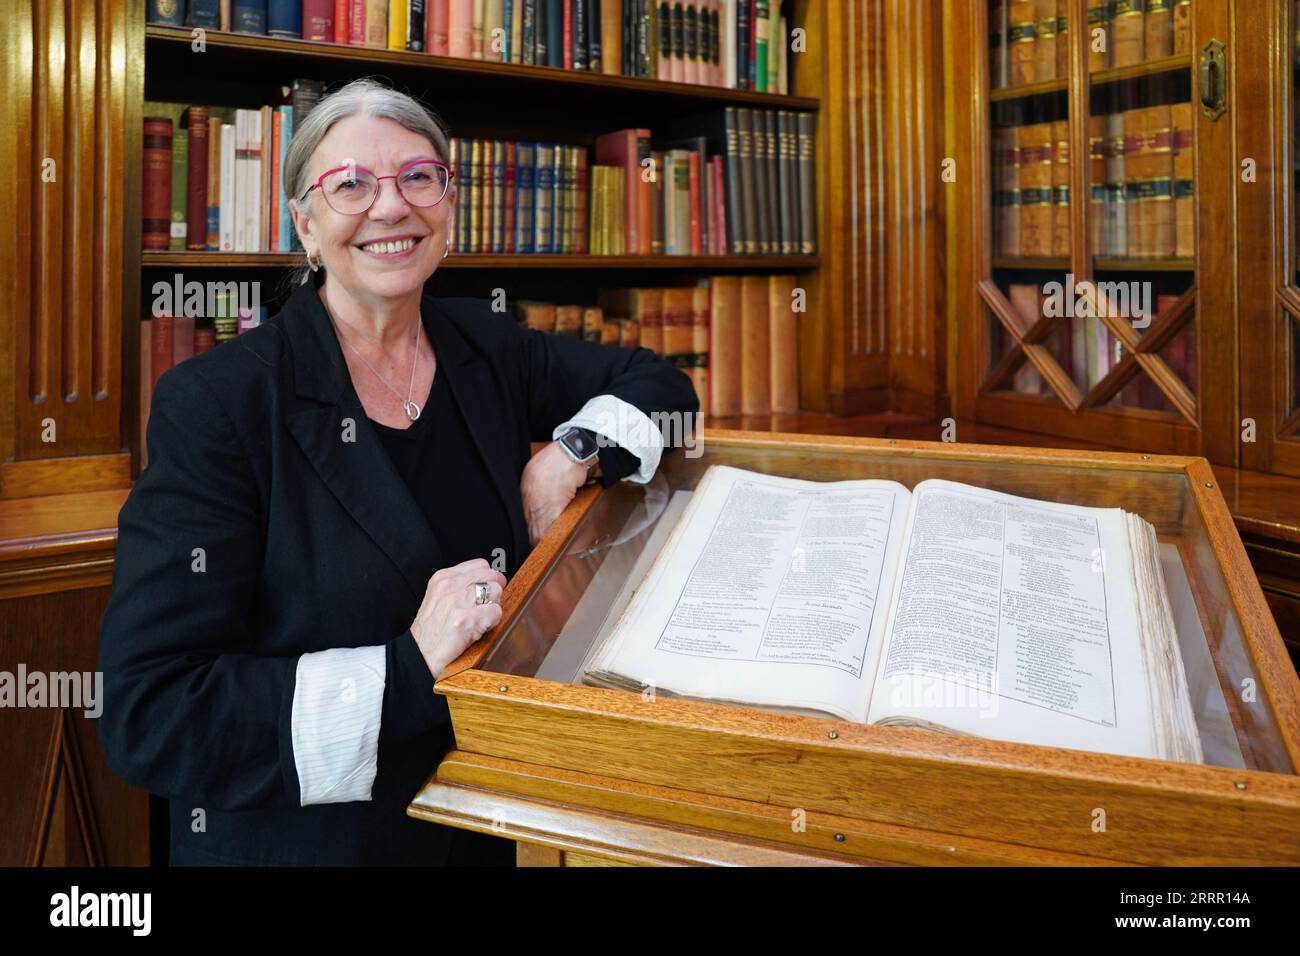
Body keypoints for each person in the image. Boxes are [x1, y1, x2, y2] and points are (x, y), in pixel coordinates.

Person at [97, 78, 699, 865]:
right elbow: (152, 710)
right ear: (305, 227)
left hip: (474, 820)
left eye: (419, 176)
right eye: (351, 184)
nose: (391, 207)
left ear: (447, 204)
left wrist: (570, 456)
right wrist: (407, 668)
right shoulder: (219, 402)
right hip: (308, 846)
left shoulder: (485, 346)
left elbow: (665, 391)